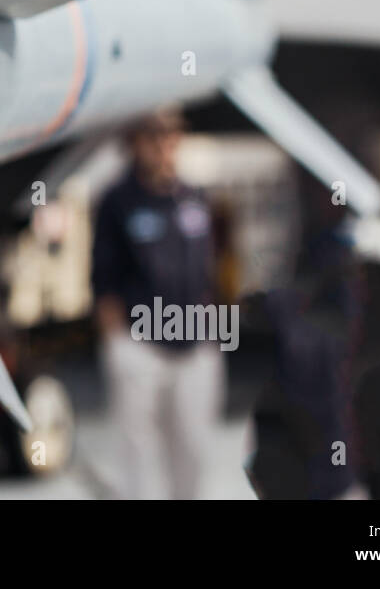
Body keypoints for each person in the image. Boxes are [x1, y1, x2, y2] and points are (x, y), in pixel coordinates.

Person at [93, 106, 224, 499]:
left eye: (171, 135)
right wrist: (117, 344)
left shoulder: (194, 197)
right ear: (134, 142)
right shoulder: (117, 202)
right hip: (140, 345)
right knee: (138, 457)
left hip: (193, 346)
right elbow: (103, 278)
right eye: (153, 135)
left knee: (194, 453)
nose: (164, 145)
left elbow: (210, 272)